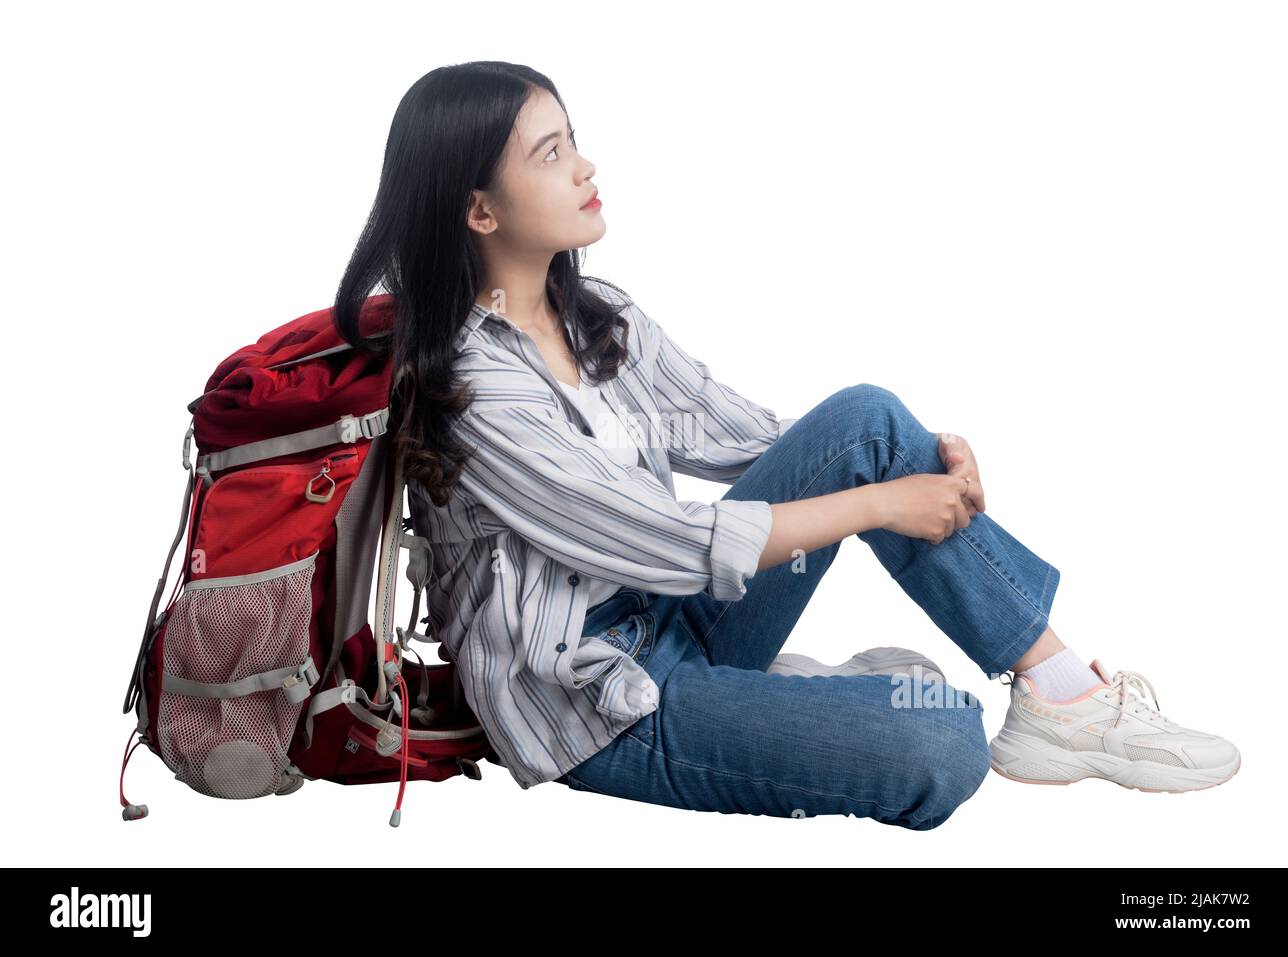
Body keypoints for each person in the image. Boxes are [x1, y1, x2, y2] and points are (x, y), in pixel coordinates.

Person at [329, 61, 1240, 829]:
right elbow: (667, 539)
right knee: (943, 739)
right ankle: (813, 701)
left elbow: (741, 432)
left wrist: (911, 457)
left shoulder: (595, 315)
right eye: (551, 153)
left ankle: (1064, 693)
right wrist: (884, 502)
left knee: (870, 416)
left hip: (675, 616)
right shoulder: (474, 388)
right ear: (480, 211)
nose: (586, 165)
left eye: (574, 138)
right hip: (600, 701)